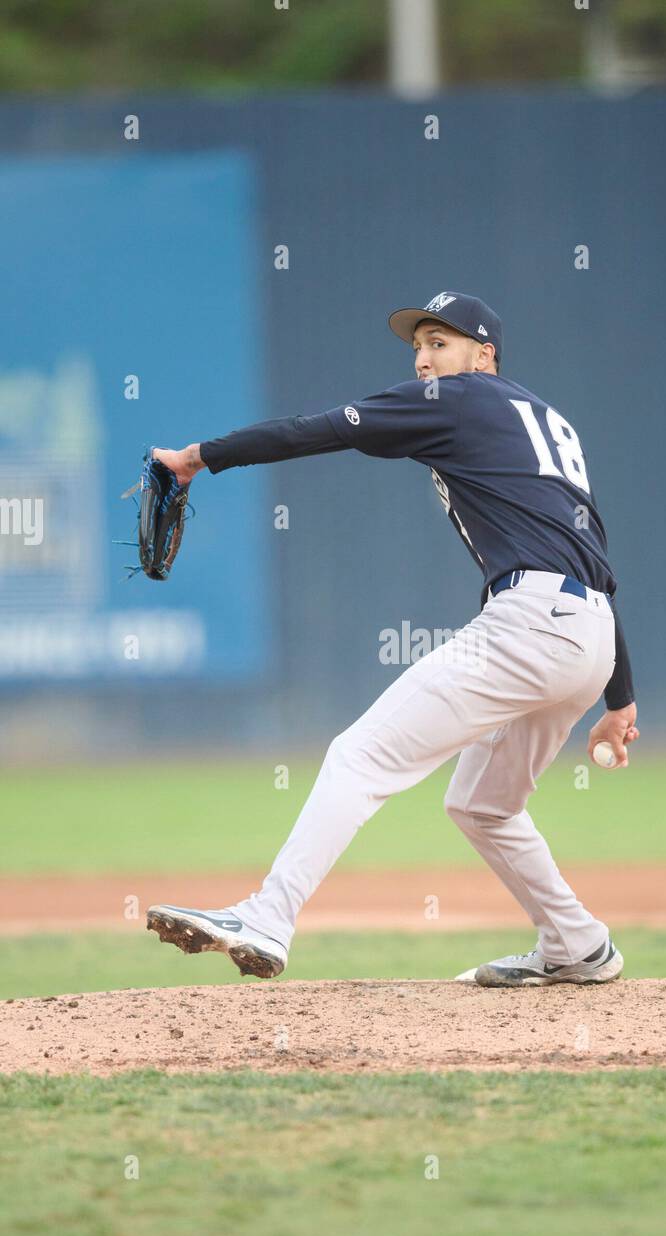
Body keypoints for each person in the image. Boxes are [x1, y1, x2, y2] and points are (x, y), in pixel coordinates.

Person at [147, 291, 638, 987]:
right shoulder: (548, 422)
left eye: (441, 342)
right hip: (586, 635)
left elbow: (314, 430)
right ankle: (578, 944)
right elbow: (590, 556)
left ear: (484, 355)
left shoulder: (458, 399)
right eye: (419, 345)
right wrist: (619, 695)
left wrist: (199, 457)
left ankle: (266, 917)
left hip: (529, 625)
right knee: (482, 805)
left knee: (360, 754)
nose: (424, 357)